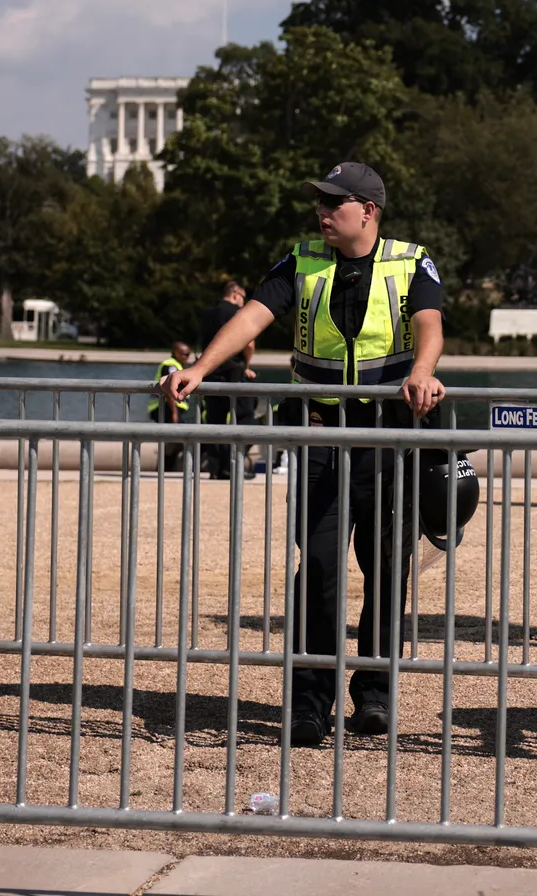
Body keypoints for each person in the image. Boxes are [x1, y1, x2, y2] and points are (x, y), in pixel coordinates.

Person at [159, 161, 446, 746]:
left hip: (388, 439)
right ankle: (309, 702)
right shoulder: (302, 260)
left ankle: (375, 694)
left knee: (388, 570)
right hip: (319, 435)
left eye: (333, 203)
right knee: (316, 570)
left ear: (367, 210)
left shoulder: (410, 262)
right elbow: (254, 316)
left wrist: (422, 369)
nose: (321, 212)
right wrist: (202, 368)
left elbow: (430, 323)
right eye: (319, 202)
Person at [196, 281, 261, 479]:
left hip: (210, 374)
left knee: (215, 422)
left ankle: (216, 469)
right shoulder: (236, 313)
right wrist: (247, 365)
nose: (243, 303)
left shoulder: (207, 315)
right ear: (235, 295)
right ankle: (234, 466)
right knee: (245, 420)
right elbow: (249, 344)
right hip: (233, 374)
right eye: (243, 298)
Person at [151, 341, 193, 472]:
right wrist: (174, 413)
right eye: (184, 354)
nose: (187, 357)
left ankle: (167, 468)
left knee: (174, 439)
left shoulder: (177, 366)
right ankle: (165, 469)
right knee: (176, 438)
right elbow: (169, 389)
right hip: (165, 408)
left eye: (188, 354)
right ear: (175, 353)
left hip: (168, 408)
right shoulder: (171, 366)